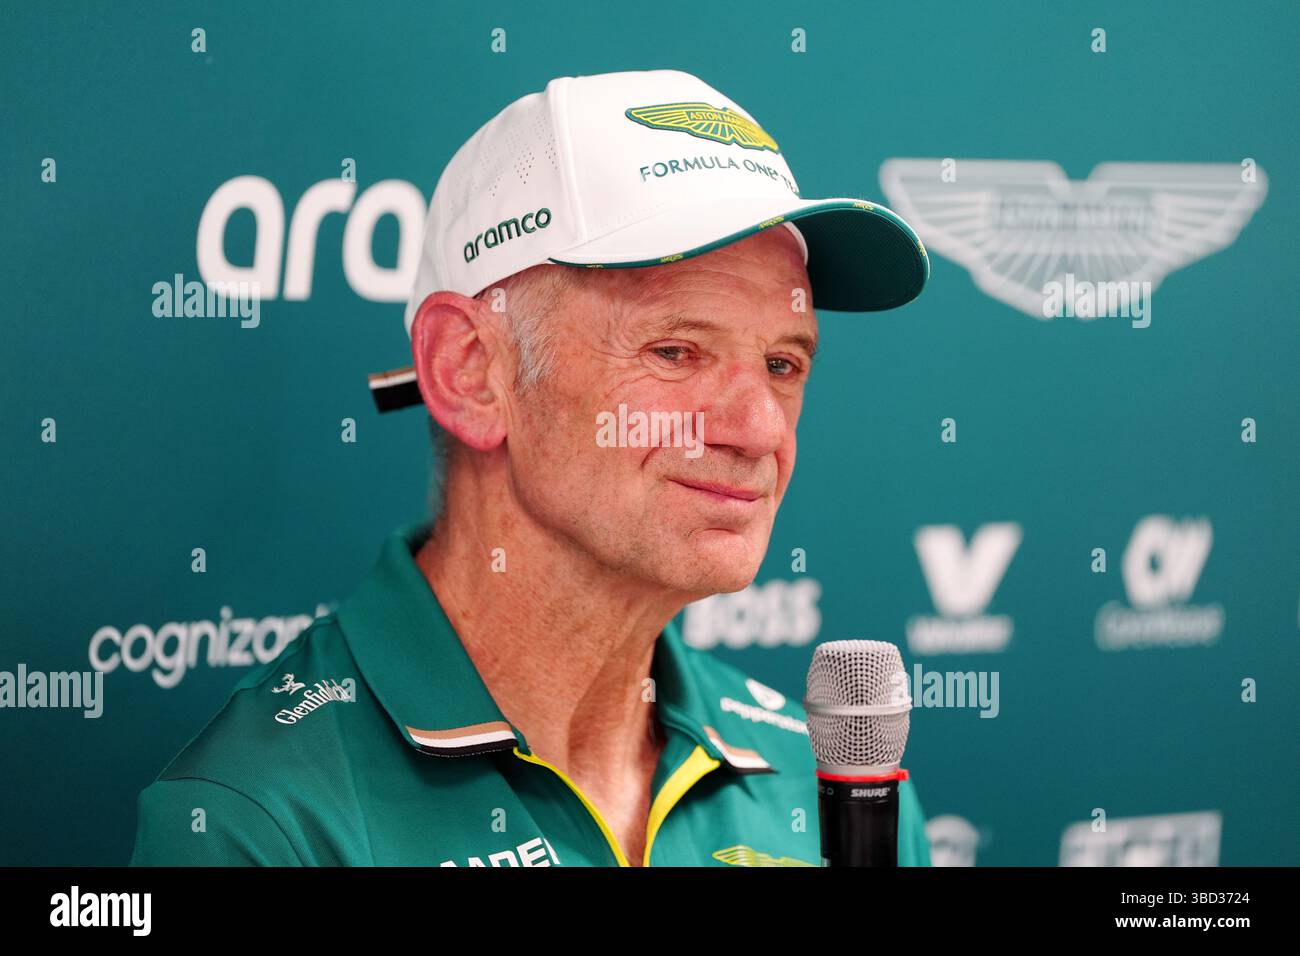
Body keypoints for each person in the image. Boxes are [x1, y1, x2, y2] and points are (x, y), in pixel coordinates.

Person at [130, 68, 932, 867]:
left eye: (784, 365)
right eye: (676, 351)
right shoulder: (262, 823)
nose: (760, 431)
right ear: (470, 372)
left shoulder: (828, 782)